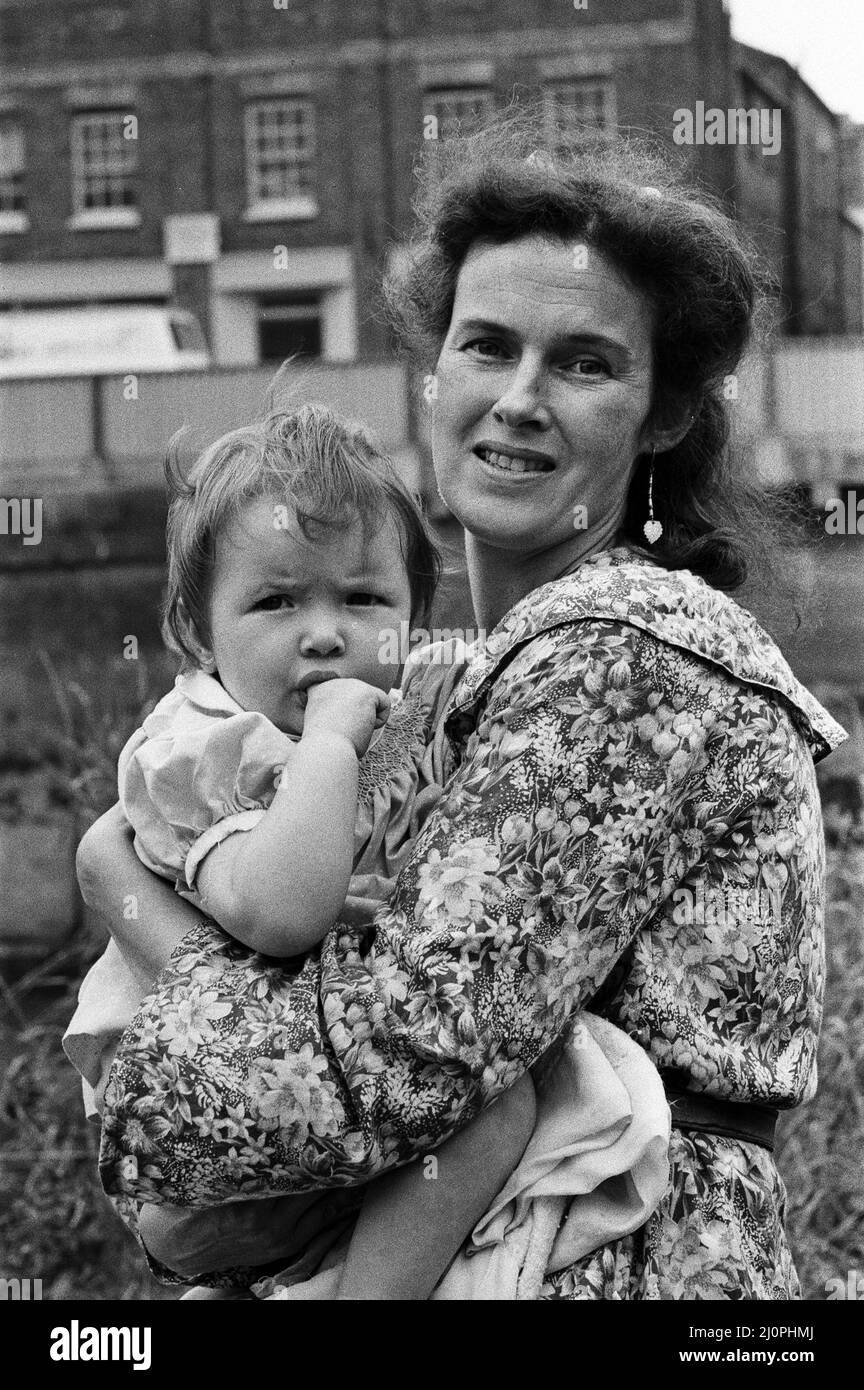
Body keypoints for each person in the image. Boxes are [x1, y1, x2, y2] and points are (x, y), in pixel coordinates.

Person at [77, 111, 847, 1299]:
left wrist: (119, 887)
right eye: (486, 346)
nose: (520, 397)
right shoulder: (466, 672)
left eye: (584, 363)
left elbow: (407, 1050)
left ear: (668, 415)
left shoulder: (628, 655)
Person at [66, 403, 537, 1299]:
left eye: (363, 600)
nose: (324, 633)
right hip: (210, 1084)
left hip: (331, 1080)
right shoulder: (205, 746)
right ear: (197, 632)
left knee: (498, 1097)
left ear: (414, 615)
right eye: (276, 601)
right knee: (491, 1109)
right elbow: (281, 915)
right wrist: (326, 742)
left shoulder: (414, 716)